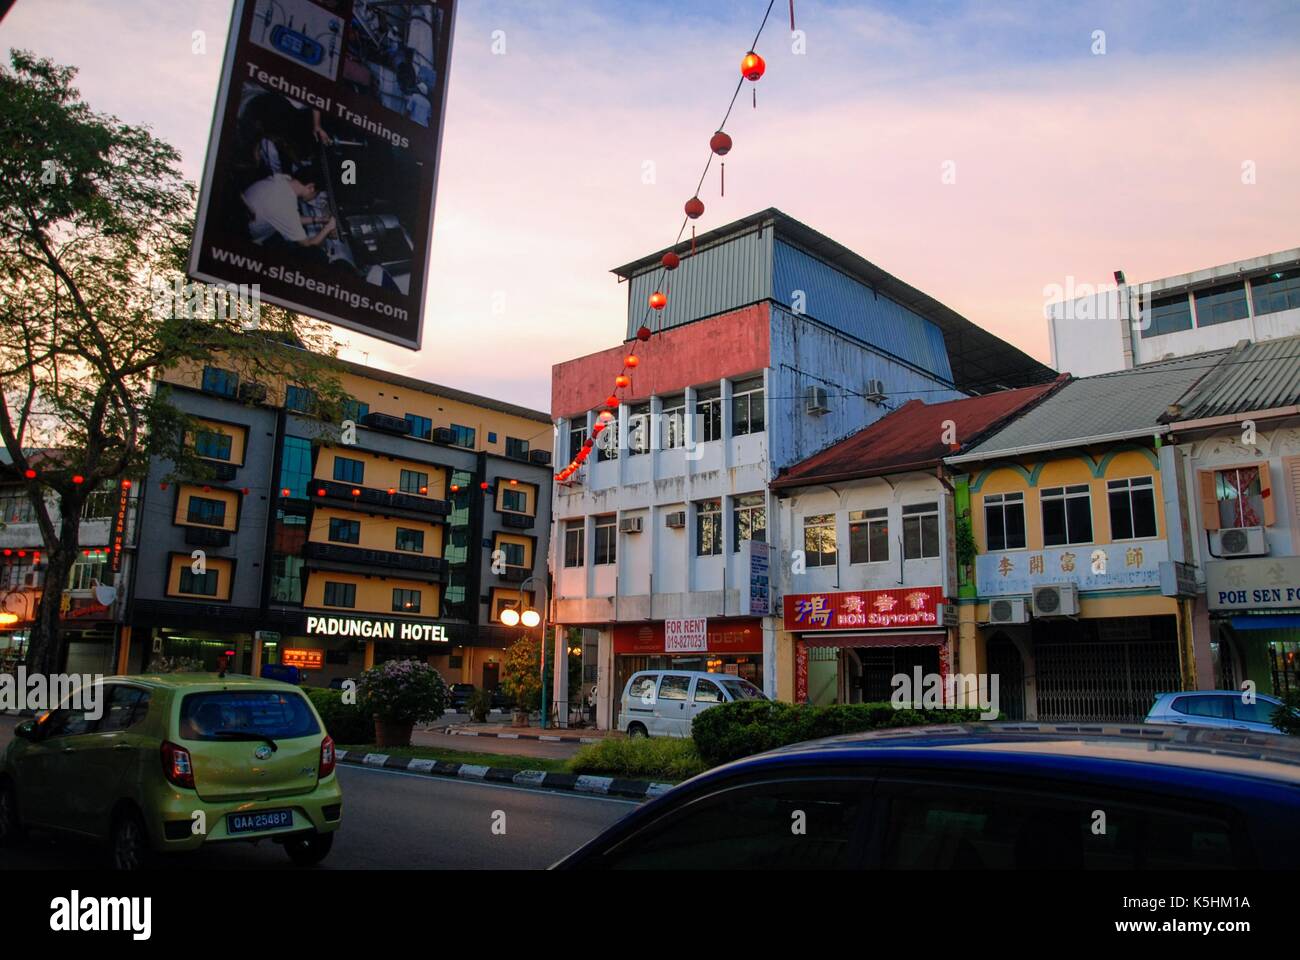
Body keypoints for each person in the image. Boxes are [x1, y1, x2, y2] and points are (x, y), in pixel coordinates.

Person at [241, 173, 336, 247]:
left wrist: (318, 219)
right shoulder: (286, 204)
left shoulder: (283, 179)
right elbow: (307, 244)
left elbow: (291, 218)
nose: (314, 198)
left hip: (243, 219)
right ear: (311, 187)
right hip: (249, 236)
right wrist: (329, 227)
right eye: (316, 194)